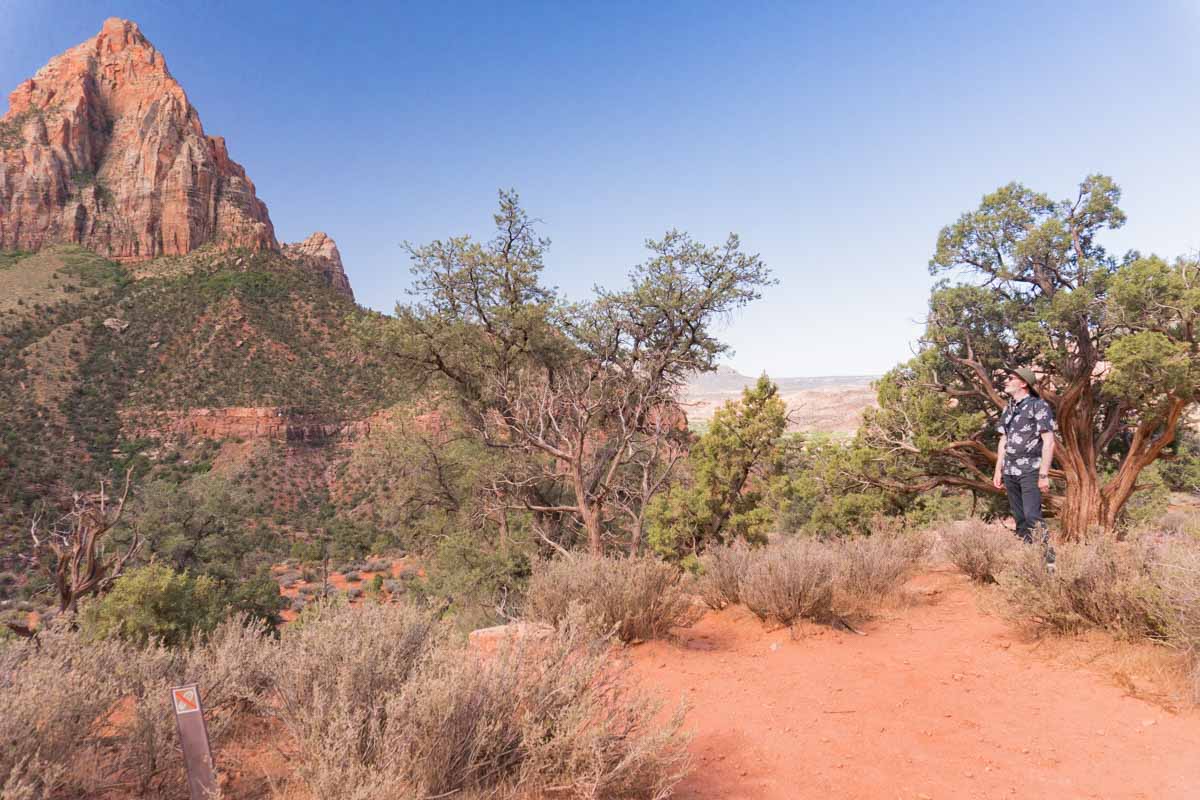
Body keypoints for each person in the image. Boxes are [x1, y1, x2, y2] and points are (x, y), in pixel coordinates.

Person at [991, 366, 1057, 570]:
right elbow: (1004, 439)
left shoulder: (1039, 406)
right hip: (1010, 471)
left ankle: (1049, 563)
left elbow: (1049, 442)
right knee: (1019, 519)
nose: (1007, 381)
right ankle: (1029, 563)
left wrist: (1044, 474)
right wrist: (998, 469)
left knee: (1032, 516)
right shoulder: (1008, 408)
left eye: (1011, 378)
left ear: (1023, 383)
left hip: (1031, 469)